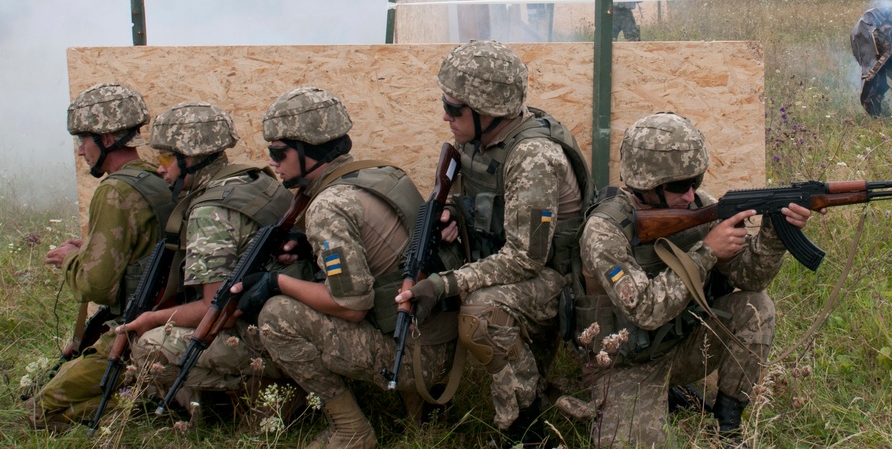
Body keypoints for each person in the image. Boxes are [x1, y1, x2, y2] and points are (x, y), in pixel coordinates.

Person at [241, 86, 464, 449]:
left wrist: (276, 282)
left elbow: (352, 306)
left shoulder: (329, 205)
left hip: (416, 357)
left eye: (278, 152)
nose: (273, 162)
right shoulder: (379, 174)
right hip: (440, 339)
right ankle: (421, 410)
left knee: (276, 316)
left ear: (309, 151)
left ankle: (350, 429)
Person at [573, 112, 815, 447]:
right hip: (624, 364)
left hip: (684, 346)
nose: (690, 195)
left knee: (756, 308)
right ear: (645, 184)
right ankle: (648, 398)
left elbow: (751, 279)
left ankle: (728, 429)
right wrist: (707, 252)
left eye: (695, 181)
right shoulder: (605, 230)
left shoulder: (700, 208)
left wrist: (775, 233)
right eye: (678, 186)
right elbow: (645, 311)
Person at [397, 40, 593, 446]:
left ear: (486, 111)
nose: (445, 115)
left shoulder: (532, 157)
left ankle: (527, 431)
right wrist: (456, 213)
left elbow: (526, 259)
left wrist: (444, 285)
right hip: (515, 262)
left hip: (558, 280)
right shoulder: (483, 138)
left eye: (453, 108)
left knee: (481, 313)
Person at [121, 101, 295, 418]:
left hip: (262, 336)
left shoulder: (210, 211)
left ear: (189, 159)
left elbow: (213, 311)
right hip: (285, 320)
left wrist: (152, 320)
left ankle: (264, 395)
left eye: (165, 158)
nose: (160, 169)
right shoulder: (256, 180)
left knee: (148, 346)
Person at [26, 83, 173, 432]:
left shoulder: (114, 190)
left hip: (132, 329)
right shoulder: (154, 176)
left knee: (37, 412)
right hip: (161, 319)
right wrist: (89, 249)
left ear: (106, 139)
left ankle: (148, 401)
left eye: (83, 140)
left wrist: (70, 260)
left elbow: (96, 285)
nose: (80, 151)